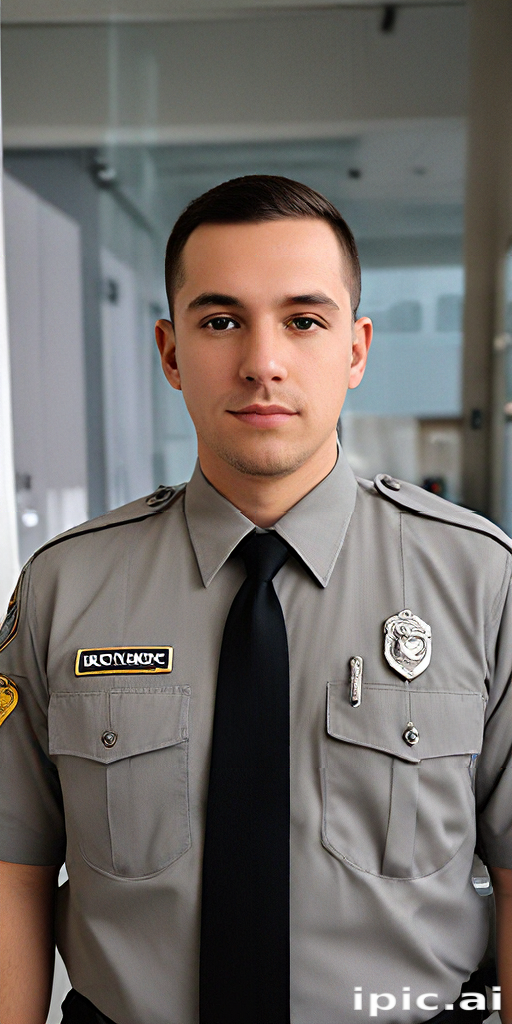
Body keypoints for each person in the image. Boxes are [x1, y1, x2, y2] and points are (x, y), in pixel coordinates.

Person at [0, 174, 511, 1024]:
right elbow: (12, 870)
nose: (262, 361)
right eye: (221, 320)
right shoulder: (64, 589)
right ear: (169, 350)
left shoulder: (482, 583)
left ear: (356, 348)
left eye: (304, 320)